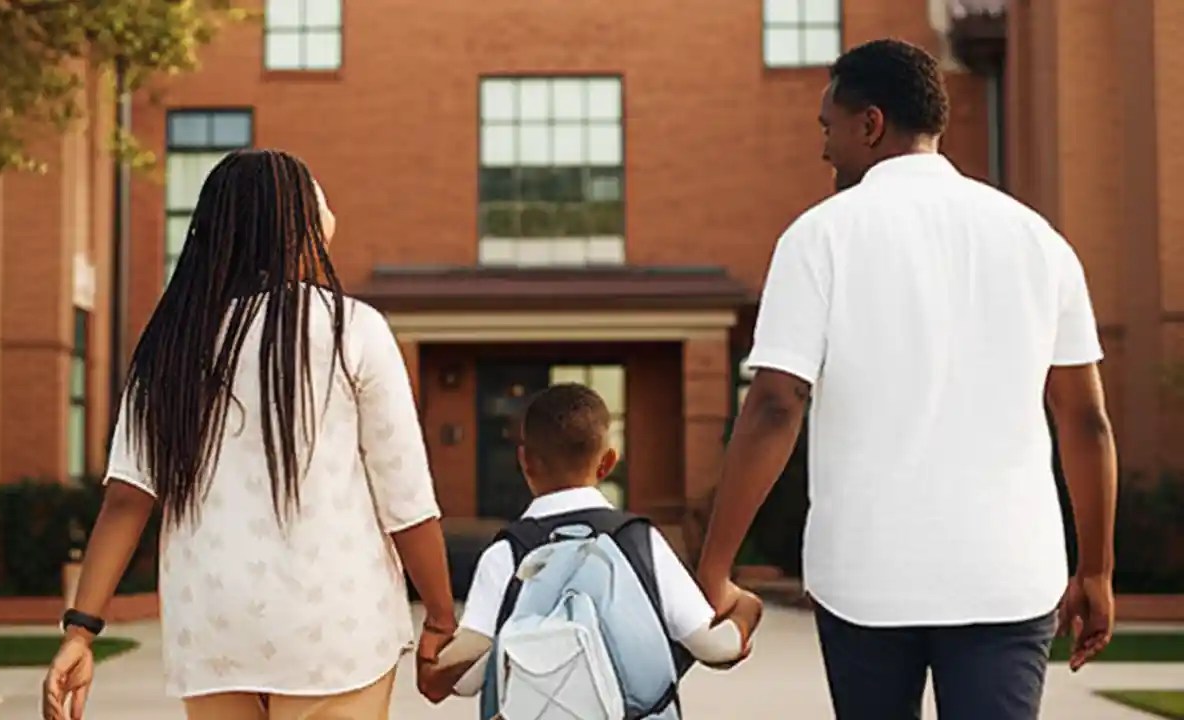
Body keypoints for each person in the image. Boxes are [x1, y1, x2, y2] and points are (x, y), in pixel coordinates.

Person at [695, 38, 1118, 720]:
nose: (824, 148)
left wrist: (714, 567)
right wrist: (1095, 569)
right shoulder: (1039, 240)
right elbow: (1085, 419)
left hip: (867, 579)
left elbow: (776, 406)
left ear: (871, 124)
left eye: (828, 126)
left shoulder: (819, 236)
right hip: (1007, 576)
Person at [41, 149, 457, 720]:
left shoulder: (171, 345)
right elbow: (405, 499)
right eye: (322, 201)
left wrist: (80, 632)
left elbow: (126, 500)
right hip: (334, 627)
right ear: (300, 225)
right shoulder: (351, 331)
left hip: (212, 631)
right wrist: (439, 615)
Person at [420, 383, 763, 710]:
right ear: (608, 462)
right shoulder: (640, 542)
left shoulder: (506, 555)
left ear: (524, 460)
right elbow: (717, 647)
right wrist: (748, 606)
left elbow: (461, 679)